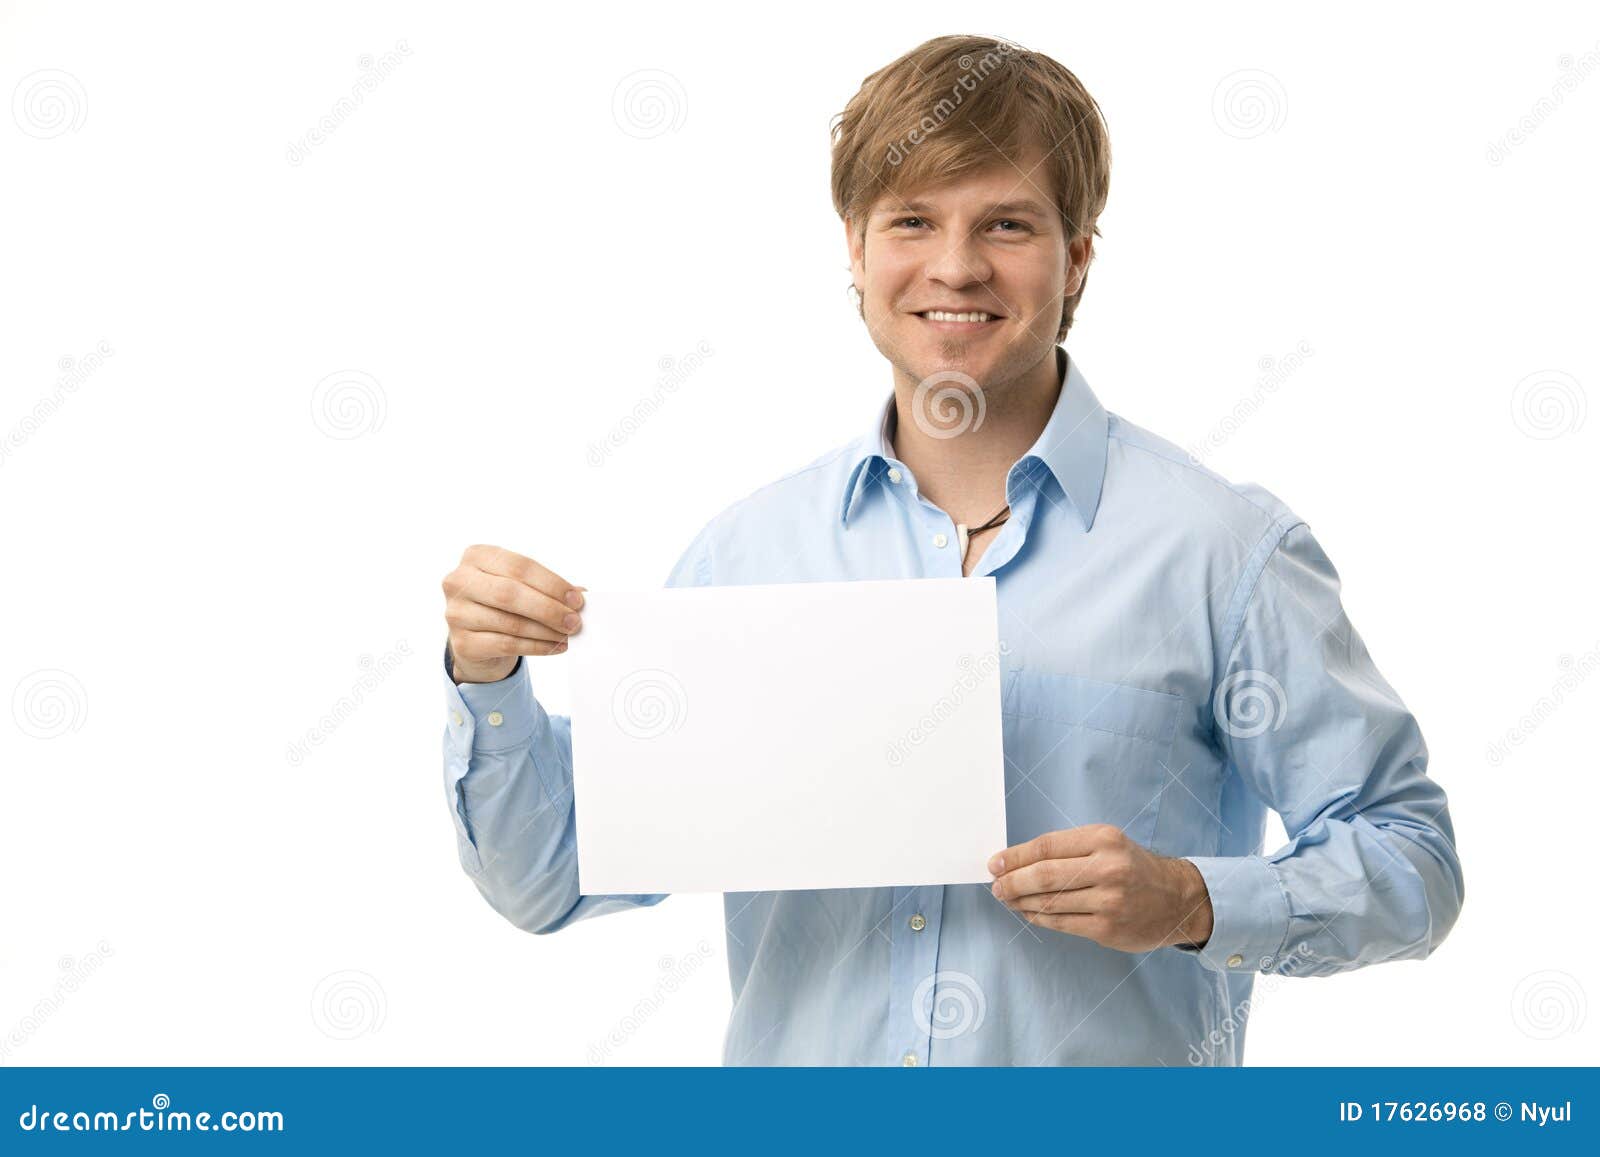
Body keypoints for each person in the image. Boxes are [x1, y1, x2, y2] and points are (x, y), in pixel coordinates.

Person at [438, 34, 1463, 1066]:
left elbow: (1411, 859)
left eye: (1006, 223)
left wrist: (1191, 898)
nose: (955, 265)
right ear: (855, 247)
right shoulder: (747, 554)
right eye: (913, 221)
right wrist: (490, 681)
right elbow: (550, 876)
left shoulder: (1222, 552)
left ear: (1077, 257)